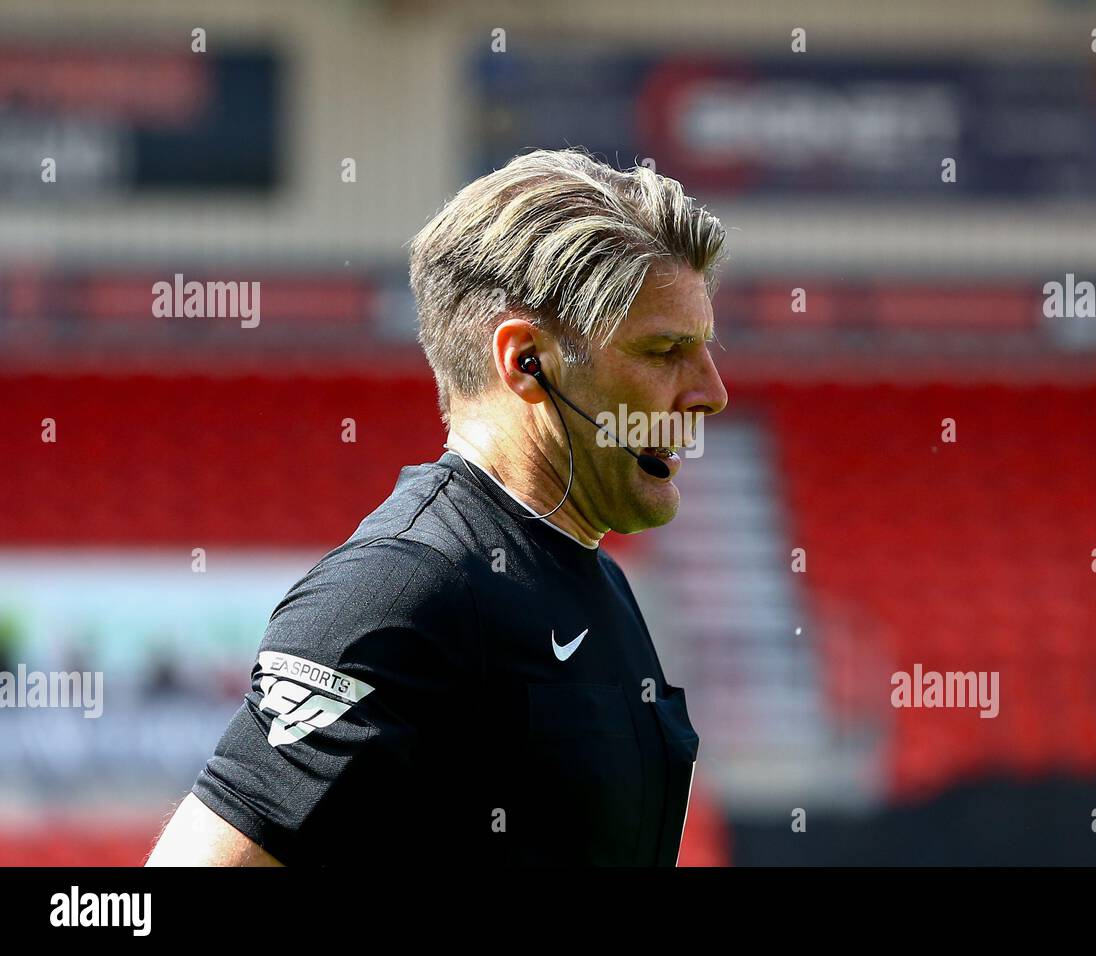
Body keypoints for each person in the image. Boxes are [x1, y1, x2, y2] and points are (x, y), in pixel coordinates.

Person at [147, 147, 729, 866]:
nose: (711, 390)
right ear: (526, 361)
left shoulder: (595, 578)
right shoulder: (401, 591)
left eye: (703, 347)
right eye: (666, 349)